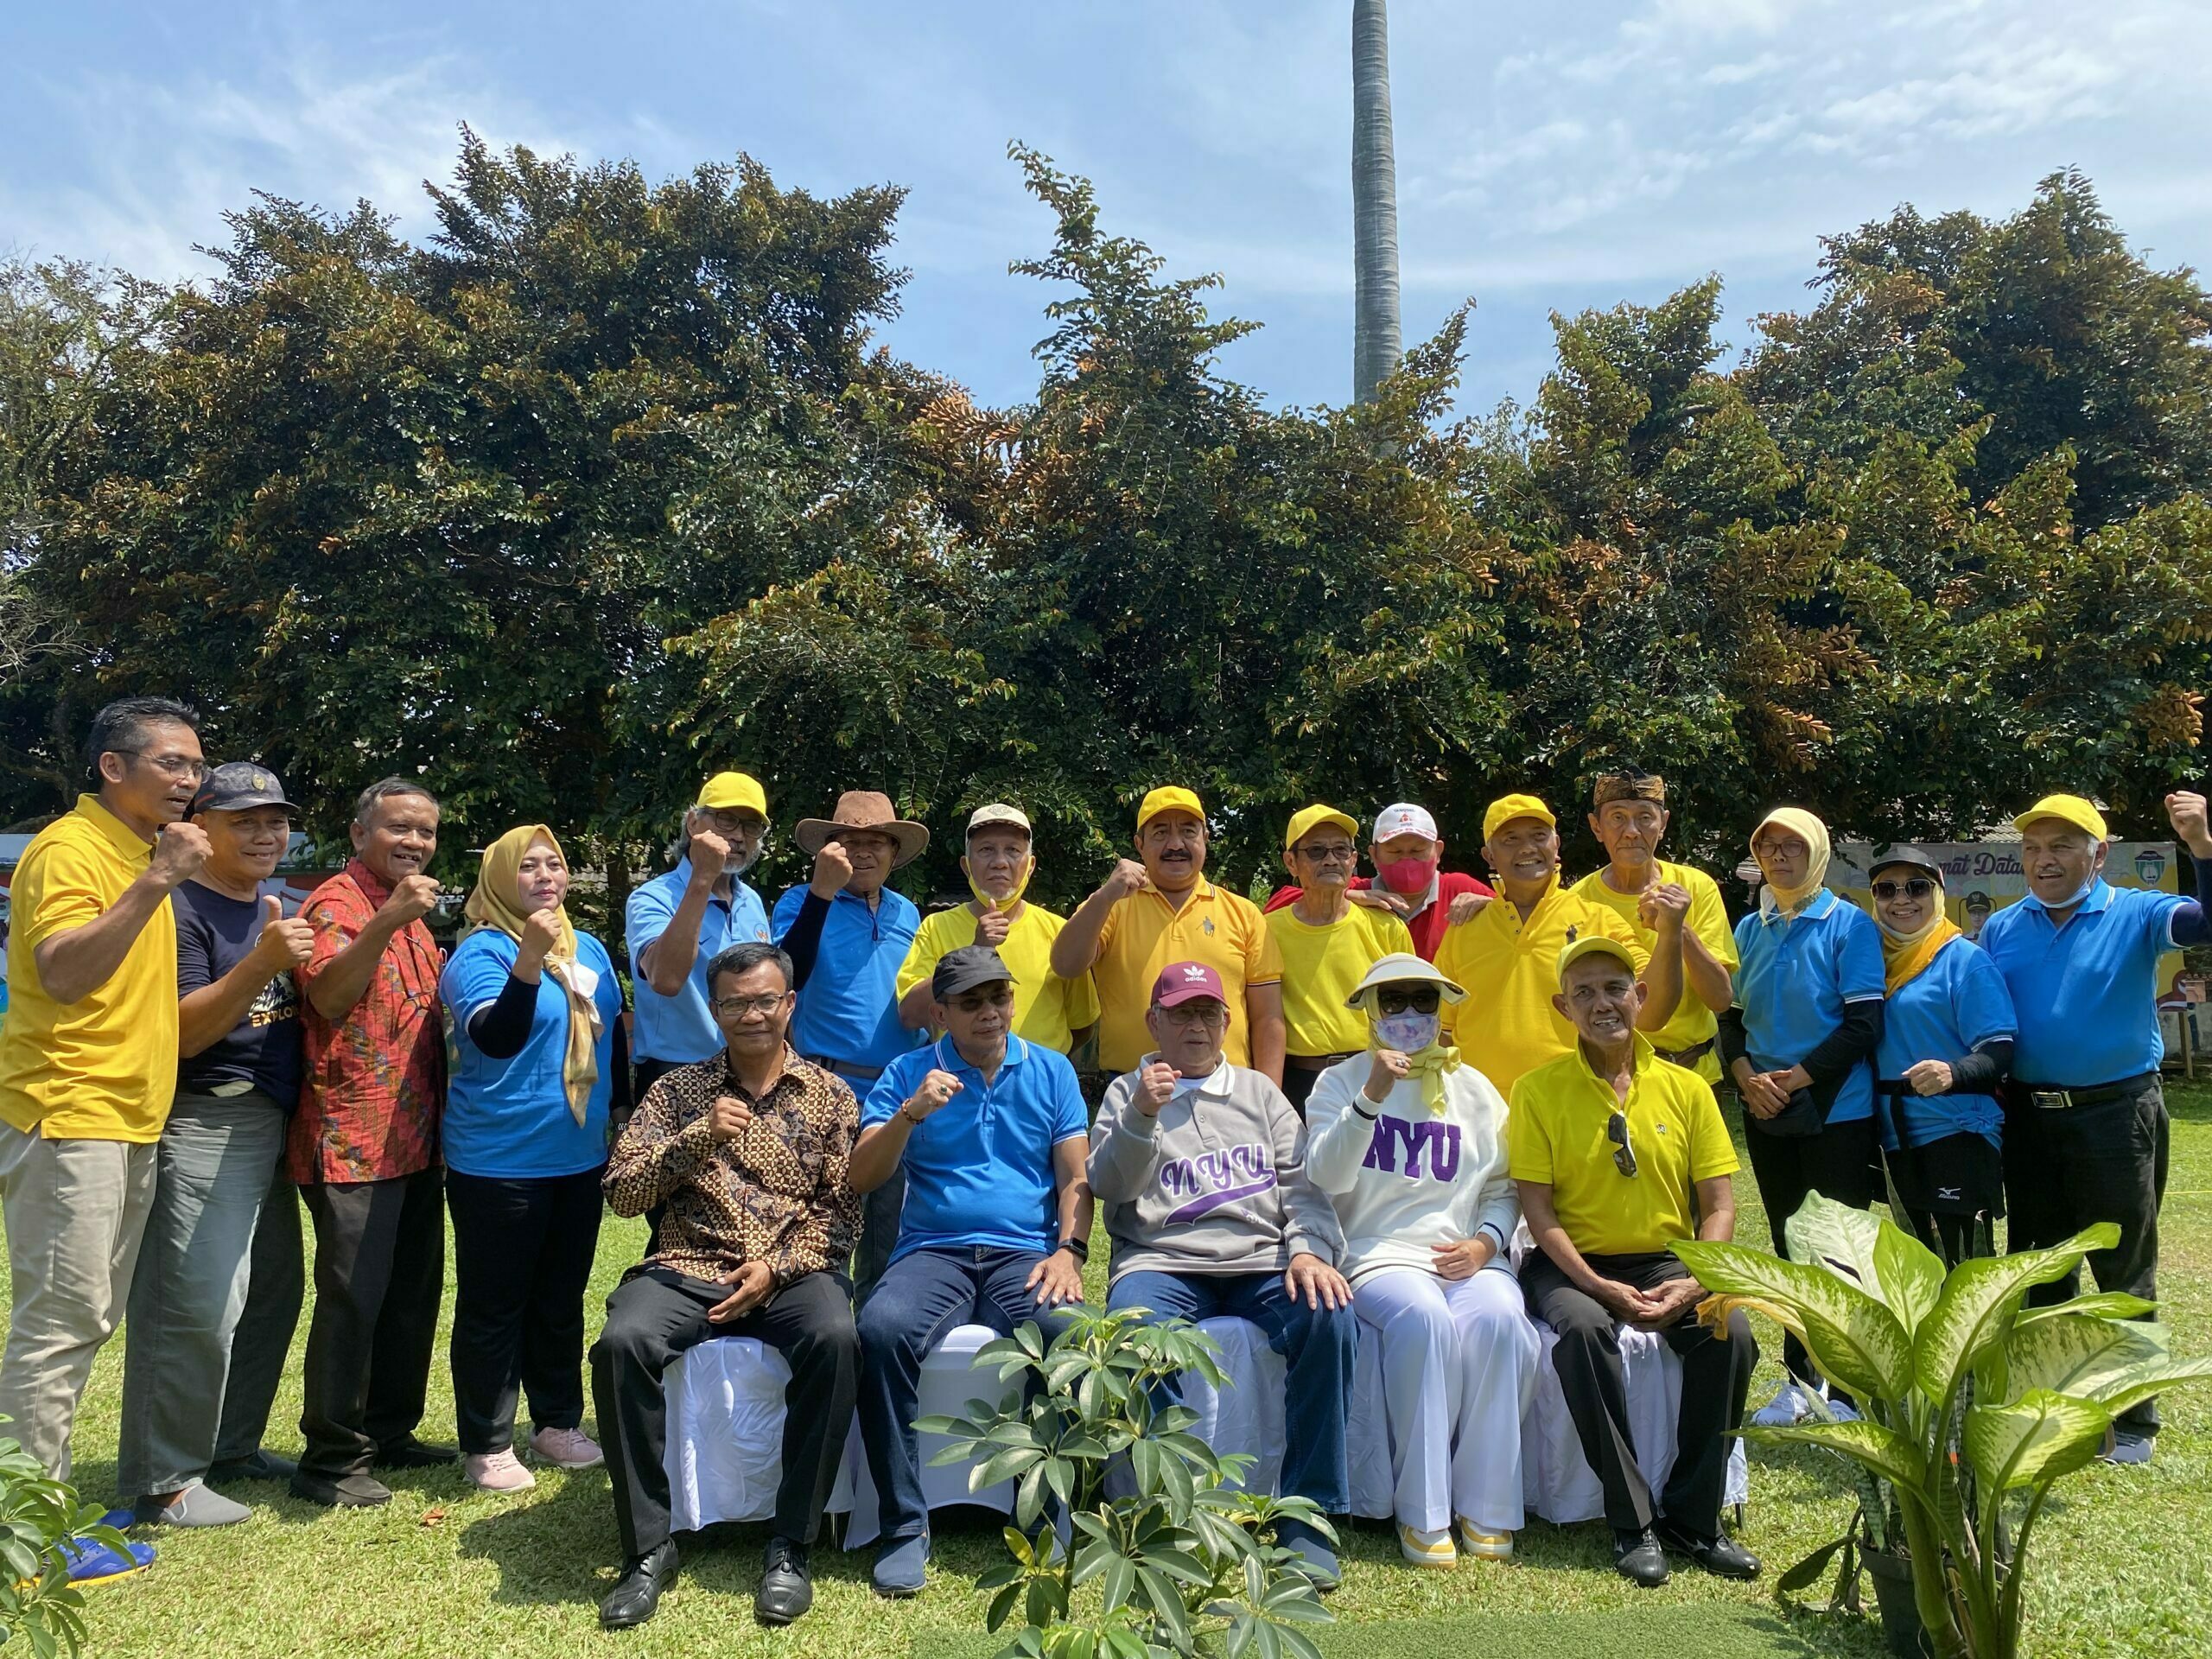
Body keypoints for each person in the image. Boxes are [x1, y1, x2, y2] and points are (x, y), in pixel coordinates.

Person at [592, 942, 860, 1630]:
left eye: (765, 1000)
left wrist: (779, 1269)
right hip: (687, 1264)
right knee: (623, 1342)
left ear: (789, 1004)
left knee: (836, 1337)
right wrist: (694, 1139)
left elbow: (841, 1212)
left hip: (790, 1268)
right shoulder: (676, 1092)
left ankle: (791, 1544)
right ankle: (650, 1547)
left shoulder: (831, 1097)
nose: (752, 1015)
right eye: (736, 1002)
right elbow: (621, 1193)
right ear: (715, 1010)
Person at [0, 697, 206, 1582]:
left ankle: (30, 1520)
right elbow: (64, 973)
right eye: (172, 763)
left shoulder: (134, 850)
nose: (191, 780)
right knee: (55, 1329)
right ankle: (21, 1545)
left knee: (83, 1324)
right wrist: (158, 881)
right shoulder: (69, 851)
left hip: (125, 1119)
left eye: (196, 765)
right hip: (68, 1113)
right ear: (112, 768)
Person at [1089, 960, 1356, 1588]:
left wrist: (1308, 1250)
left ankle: (1307, 1515)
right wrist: (1143, 1117)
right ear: (1154, 1021)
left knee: (1329, 1319)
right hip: (1162, 1260)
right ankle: (1160, 1515)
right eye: (1180, 1012)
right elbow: (1108, 1185)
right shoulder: (1131, 1092)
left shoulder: (1262, 1093)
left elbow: (1303, 1186)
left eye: (1207, 1012)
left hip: (1261, 1259)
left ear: (1227, 1021)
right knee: (1136, 1333)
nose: (1195, 1025)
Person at [1510, 936, 1760, 1589]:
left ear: (1640, 996)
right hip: (1569, 1262)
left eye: (1614, 988)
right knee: (1586, 1332)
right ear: (1563, 1006)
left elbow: (1720, 1204)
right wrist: (1596, 1286)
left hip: (1667, 1259)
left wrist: (1697, 1277)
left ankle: (1693, 1518)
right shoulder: (1536, 1091)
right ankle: (1632, 1520)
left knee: (1730, 1333)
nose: (1602, 1004)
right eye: (1584, 992)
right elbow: (1539, 1216)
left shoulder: (1686, 1089)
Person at [1980, 791, 2212, 1465]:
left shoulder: (2136, 912)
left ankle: (2133, 1424)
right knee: (2039, 1271)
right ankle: (2046, 1411)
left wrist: (2202, 847)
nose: (2043, 860)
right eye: (2033, 848)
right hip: (2028, 1118)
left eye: (2061, 846)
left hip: (2117, 1115)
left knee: (2122, 1271)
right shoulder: (2002, 927)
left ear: (2098, 854)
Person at [852, 945, 1090, 1599]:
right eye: (972, 1002)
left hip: (1024, 1253)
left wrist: (1069, 1250)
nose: (990, 1012)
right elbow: (861, 1177)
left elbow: (1076, 1177)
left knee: (1068, 1334)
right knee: (880, 1329)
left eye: (999, 996)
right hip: (935, 1251)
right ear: (941, 1012)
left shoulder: (1051, 1070)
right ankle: (905, 1525)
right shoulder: (908, 1072)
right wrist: (911, 1113)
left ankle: (1045, 1513)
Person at [117, 763, 313, 1529]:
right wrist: (264, 961)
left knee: (269, 1294)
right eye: (245, 821)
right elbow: (187, 1032)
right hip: (203, 1119)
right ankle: (163, 1480)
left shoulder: (268, 904)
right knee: (194, 1303)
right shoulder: (180, 908)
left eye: (276, 820)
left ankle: (231, 1447)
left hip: (270, 1123)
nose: (267, 834)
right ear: (202, 826)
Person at [1305, 954, 1536, 1568]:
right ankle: (1424, 1511)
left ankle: (1487, 1504)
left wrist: (1486, 1243)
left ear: (1443, 1008)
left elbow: (1503, 1185)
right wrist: (1373, 1095)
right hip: (1379, 1255)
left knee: (1502, 1320)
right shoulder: (1338, 1083)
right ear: (1369, 1011)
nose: (1410, 1014)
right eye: (1394, 1001)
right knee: (1421, 1320)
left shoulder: (1475, 1089)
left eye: (1424, 1000)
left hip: (1465, 1254)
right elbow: (1325, 1176)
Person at [440, 826, 624, 1492]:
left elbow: (612, 1042)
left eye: (555, 864)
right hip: (499, 1162)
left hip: (576, 1157)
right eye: (528, 866)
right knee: (496, 1304)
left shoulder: (589, 947)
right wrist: (528, 961)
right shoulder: (480, 954)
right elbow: (495, 1037)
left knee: (560, 1297)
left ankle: (556, 1423)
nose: (545, 876)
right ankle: (486, 1440)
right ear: (498, 879)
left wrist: (622, 1117)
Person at [287, 777, 451, 1508]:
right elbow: (325, 996)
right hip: (351, 1139)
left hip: (415, 1138)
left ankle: (388, 1431)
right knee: (353, 1298)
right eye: (399, 828)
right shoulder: (338, 904)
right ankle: (330, 1457)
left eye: (426, 831)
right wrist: (385, 920)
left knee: (410, 1293)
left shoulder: (410, 911)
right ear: (359, 834)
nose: (414, 842)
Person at [1717, 806, 1884, 1427]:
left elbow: (1865, 1023)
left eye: (1792, 845)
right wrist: (1745, 1080)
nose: (1779, 856)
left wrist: (1797, 1079)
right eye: (1768, 845)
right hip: (1765, 1107)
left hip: (1836, 1108)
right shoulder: (1748, 928)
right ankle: (1797, 1382)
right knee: (1790, 1248)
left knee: (1838, 1253)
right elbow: (1728, 1018)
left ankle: (1844, 1391)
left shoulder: (1849, 925)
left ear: (1818, 852)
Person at [772, 791, 927, 1294]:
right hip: (825, 1086)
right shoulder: (799, 901)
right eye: (848, 840)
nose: (863, 851)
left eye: (876, 841)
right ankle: (826, 1350)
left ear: (893, 852)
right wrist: (820, 893)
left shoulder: (908, 913)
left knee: (889, 1237)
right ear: (828, 849)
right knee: (822, 1235)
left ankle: (875, 1351)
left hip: (898, 1093)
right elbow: (785, 975)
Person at [1433, 794, 1680, 1096]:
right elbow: (1442, 1030)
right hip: (1480, 1110)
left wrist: (1671, 934)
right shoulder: (1464, 929)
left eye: (1539, 836)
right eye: (1510, 839)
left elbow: (1652, 1013)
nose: (1527, 848)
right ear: (1489, 856)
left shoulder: (1599, 920)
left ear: (1556, 844)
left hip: (1572, 1103)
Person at [1051, 786, 1286, 1088]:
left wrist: (1268, 1096)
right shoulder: (1111, 905)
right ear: (1139, 844)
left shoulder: (1244, 913)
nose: (1176, 844)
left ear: (1205, 839)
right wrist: (1106, 894)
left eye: (1188, 831)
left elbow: (1268, 1018)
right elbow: (1065, 965)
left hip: (1228, 1089)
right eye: (1160, 833)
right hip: (1133, 1087)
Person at [1866, 846, 2017, 1268]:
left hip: (1955, 1130)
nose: (1901, 899)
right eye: (1886, 890)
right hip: (1893, 1134)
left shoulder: (1965, 960)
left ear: (1938, 894)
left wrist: (1952, 1071)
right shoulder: (1868, 961)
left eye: (1916, 887)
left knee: (1964, 1265)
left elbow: (1999, 1048)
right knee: (1916, 1267)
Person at [1567, 771, 1738, 1080]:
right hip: (1609, 1077)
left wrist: (1678, 928)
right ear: (1597, 827)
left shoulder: (1697, 887)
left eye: (1645, 817)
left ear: (1663, 824)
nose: (1631, 831)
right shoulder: (1577, 901)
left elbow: (1720, 999)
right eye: (1617, 818)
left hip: (1693, 1072)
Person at [894, 803, 1098, 1055]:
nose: (1000, 862)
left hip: (1039, 1087)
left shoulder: (1059, 931)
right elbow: (910, 1015)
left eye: (1013, 850)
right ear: (966, 865)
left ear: (1031, 865)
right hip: (960, 1086)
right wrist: (975, 952)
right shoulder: (936, 927)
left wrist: (1043, 1066)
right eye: (986, 850)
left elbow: (1082, 1026)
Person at [626, 772, 773, 1101]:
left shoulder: (752, 901)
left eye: (751, 827)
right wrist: (702, 880)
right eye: (726, 820)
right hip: (675, 1077)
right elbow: (666, 979)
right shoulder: (652, 898)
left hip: (747, 1076)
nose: (738, 836)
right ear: (693, 823)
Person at [1266, 805, 1416, 1114]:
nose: (1331, 859)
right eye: (1317, 851)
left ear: (1353, 860)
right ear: (1291, 862)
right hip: (1299, 1080)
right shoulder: (1267, 930)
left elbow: (1411, 1012)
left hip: (1376, 1076)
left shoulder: (1387, 927)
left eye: (1340, 850)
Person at [1264, 802, 1494, 962]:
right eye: (1394, 851)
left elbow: (1519, 910)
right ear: (1373, 855)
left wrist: (1488, 903)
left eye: (1417, 850)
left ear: (1438, 850)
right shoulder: (1358, 890)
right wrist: (1345, 895)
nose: (1406, 860)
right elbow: (1282, 904)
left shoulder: (1460, 888)